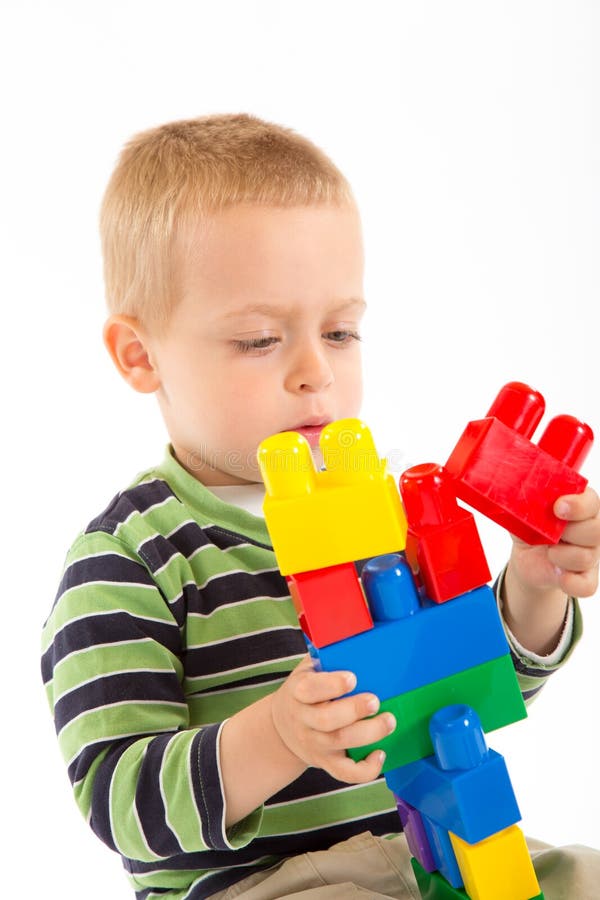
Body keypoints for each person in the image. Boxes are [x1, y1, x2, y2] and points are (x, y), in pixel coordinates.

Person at [41, 113, 600, 900]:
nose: (315, 372)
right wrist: (276, 735)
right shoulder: (131, 559)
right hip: (263, 886)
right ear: (141, 355)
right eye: (261, 340)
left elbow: (466, 698)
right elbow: (119, 801)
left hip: (440, 850)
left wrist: (533, 586)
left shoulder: (391, 517)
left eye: (340, 332)